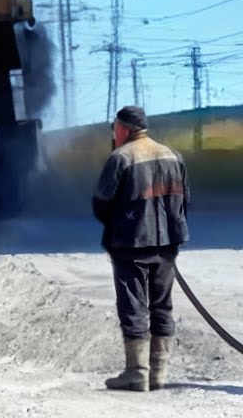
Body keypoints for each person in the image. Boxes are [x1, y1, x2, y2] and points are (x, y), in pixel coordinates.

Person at [92, 105, 190, 392]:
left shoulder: (120, 157)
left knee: (133, 306)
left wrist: (120, 224)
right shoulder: (173, 155)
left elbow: (101, 202)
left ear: (123, 128)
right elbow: (186, 201)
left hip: (131, 243)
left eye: (115, 128)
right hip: (167, 244)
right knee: (162, 306)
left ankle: (137, 374)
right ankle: (157, 375)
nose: (114, 133)